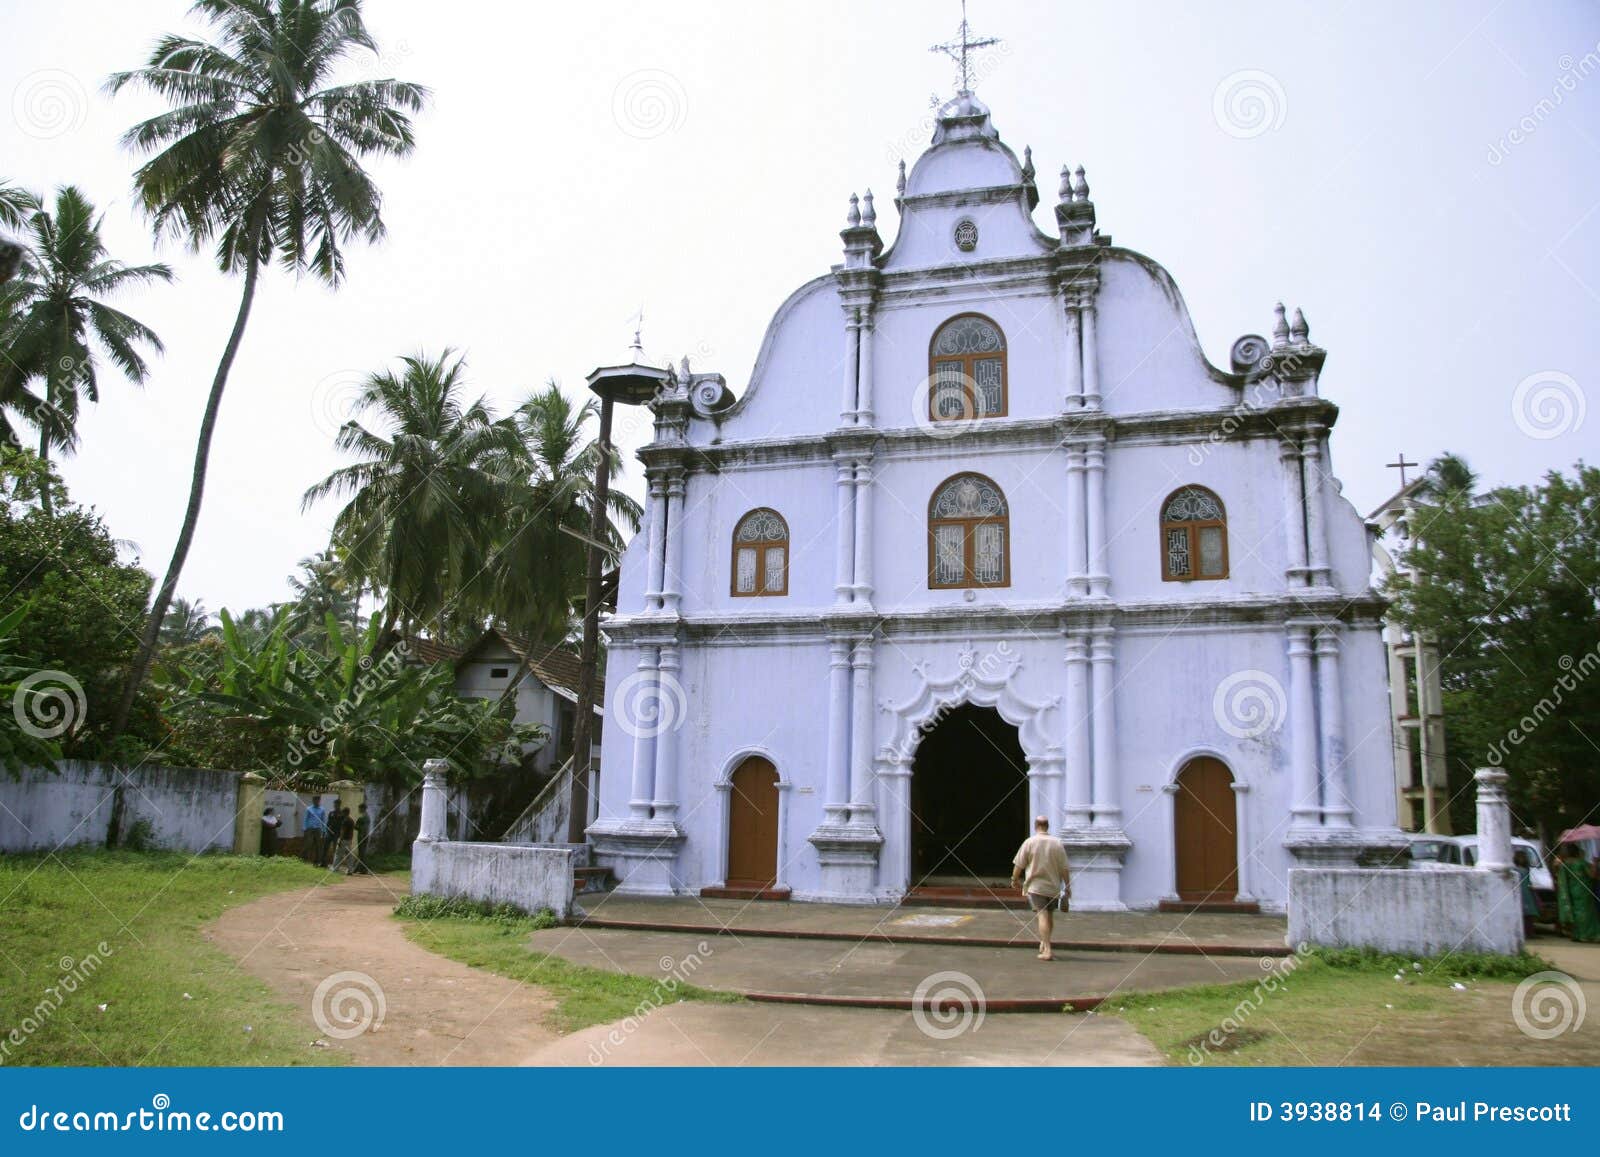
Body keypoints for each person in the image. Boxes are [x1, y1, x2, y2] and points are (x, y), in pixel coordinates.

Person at [1011, 816, 1071, 961]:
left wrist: (1014, 879)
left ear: (1035, 826)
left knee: (1042, 915)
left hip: (1036, 887)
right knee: (1049, 915)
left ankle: (1047, 949)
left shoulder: (1030, 842)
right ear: (1047, 826)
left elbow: (1019, 864)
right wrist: (1068, 886)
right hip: (1053, 886)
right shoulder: (1057, 843)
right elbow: (1064, 868)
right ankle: (1045, 943)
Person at [1555, 843, 1600, 943]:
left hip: (1572, 891)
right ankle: (1587, 935)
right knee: (1587, 913)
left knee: (1576, 912)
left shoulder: (1565, 864)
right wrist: (1595, 863)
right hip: (1584, 891)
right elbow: (1592, 875)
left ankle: (1577, 934)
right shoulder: (1581, 863)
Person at [331, 805, 358, 874]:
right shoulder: (351, 820)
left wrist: (340, 840)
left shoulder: (345, 821)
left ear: (345, 812)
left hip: (344, 840)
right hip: (349, 840)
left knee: (338, 854)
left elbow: (342, 831)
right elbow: (352, 832)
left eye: (342, 812)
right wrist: (351, 840)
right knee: (349, 856)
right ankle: (350, 870)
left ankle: (335, 868)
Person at [301, 797, 327, 865]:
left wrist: (324, 830)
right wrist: (304, 828)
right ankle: (304, 859)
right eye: (315, 800)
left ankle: (317, 861)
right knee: (308, 844)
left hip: (318, 829)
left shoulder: (322, 809)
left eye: (317, 800)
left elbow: (323, 820)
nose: (316, 801)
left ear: (319, 801)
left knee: (318, 845)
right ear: (313, 801)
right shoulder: (309, 808)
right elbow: (305, 818)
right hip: (309, 829)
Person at [352, 804, 372, 874]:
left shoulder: (362, 817)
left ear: (363, 808)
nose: (359, 810)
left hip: (361, 836)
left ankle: (362, 869)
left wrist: (353, 824)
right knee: (362, 853)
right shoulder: (367, 816)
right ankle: (360, 869)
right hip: (366, 836)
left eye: (359, 808)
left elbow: (358, 827)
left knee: (361, 854)